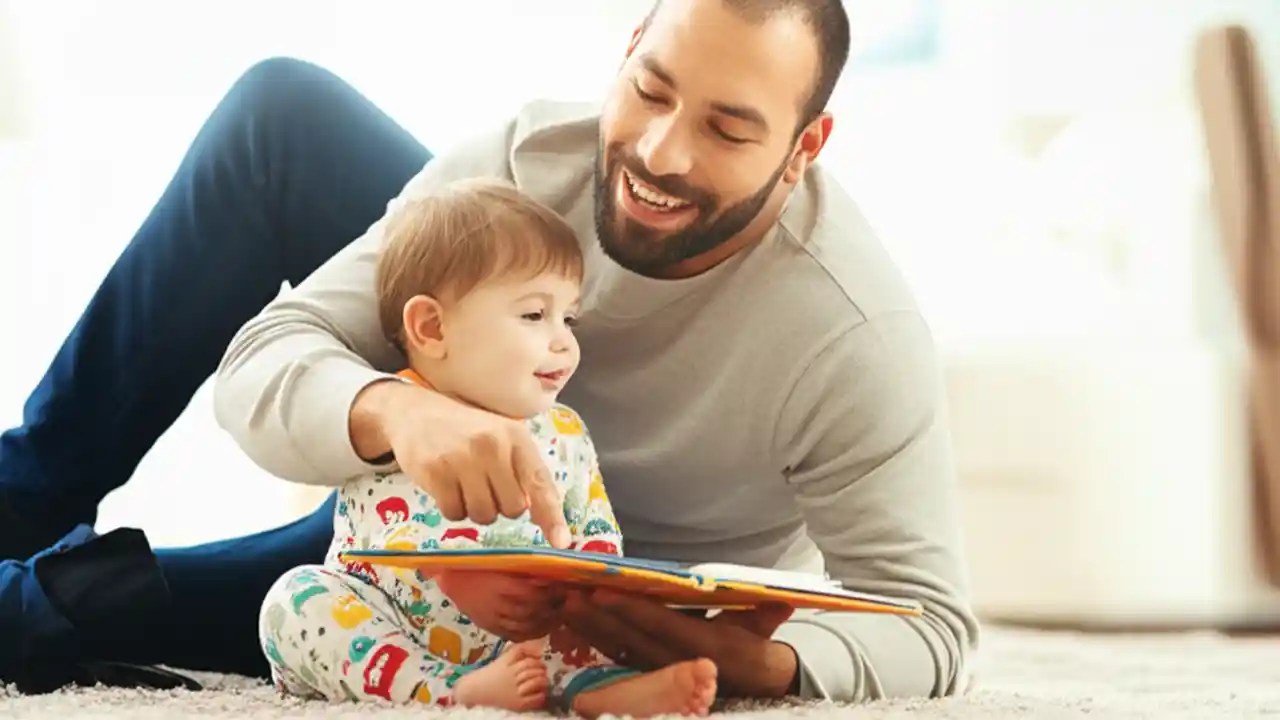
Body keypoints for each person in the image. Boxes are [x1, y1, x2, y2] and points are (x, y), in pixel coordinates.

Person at [0, 0, 980, 702]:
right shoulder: (523, 163)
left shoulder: (852, 336)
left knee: (53, 615)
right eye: (649, 90)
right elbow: (270, 360)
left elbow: (928, 620)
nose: (660, 153)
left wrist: (756, 663)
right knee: (282, 114)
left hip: (542, 601)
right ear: (630, 44)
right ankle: (21, 494)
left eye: (728, 130)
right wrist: (399, 409)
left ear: (803, 148)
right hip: (413, 506)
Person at [259, 178, 719, 717]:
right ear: (431, 327)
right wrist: (459, 576)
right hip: (394, 625)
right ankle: (446, 690)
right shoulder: (399, 415)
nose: (563, 341)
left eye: (567, 317)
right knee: (294, 601)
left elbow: (595, 530)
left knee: (598, 629)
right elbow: (385, 532)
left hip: (528, 635)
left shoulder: (565, 431)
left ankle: (597, 690)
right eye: (533, 315)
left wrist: (586, 586)